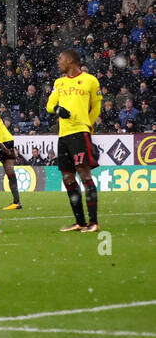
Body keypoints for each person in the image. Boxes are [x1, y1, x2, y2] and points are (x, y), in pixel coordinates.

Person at [47, 49, 102, 233]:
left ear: (70, 60)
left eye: (60, 58)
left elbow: (96, 106)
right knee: (67, 177)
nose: (58, 62)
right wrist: (57, 110)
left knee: (84, 174)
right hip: (63, 136)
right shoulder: (59, 82)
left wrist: (87, 125)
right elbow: (49, 105)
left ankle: (94, 222)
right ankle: (80, 222)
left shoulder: (90, 81)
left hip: (80, 133)